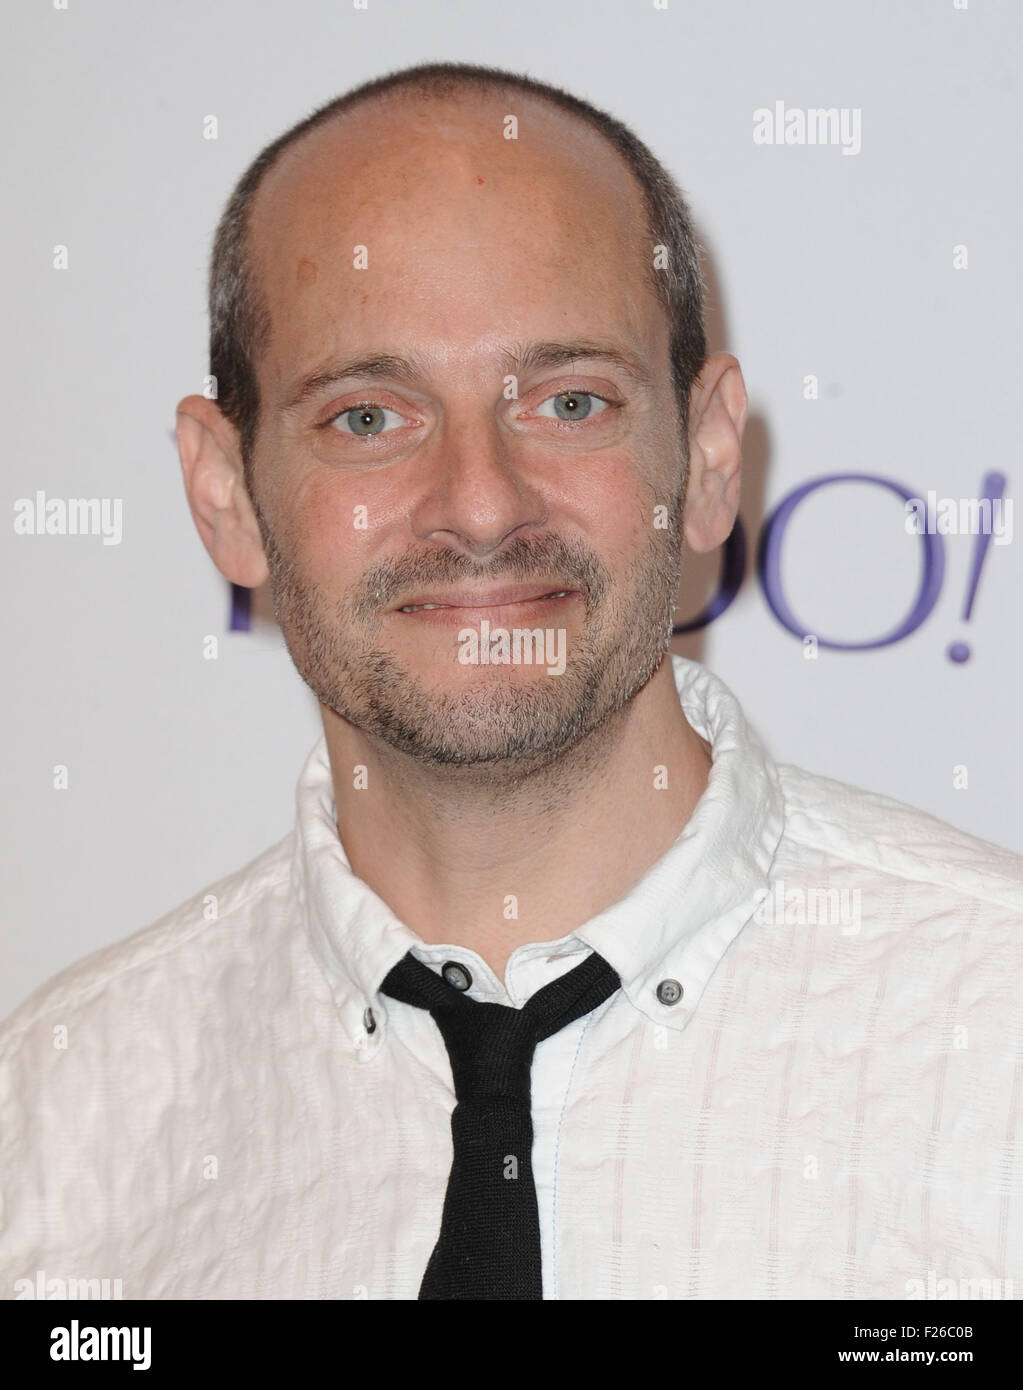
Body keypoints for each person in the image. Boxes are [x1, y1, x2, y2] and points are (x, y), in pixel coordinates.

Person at [2, 61, 1020, 1303]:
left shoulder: (995, 1031)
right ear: (226, 495)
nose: (480, 504)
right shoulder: (55, 1126)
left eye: (569, 400)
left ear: (706, 459)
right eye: (369, 417)